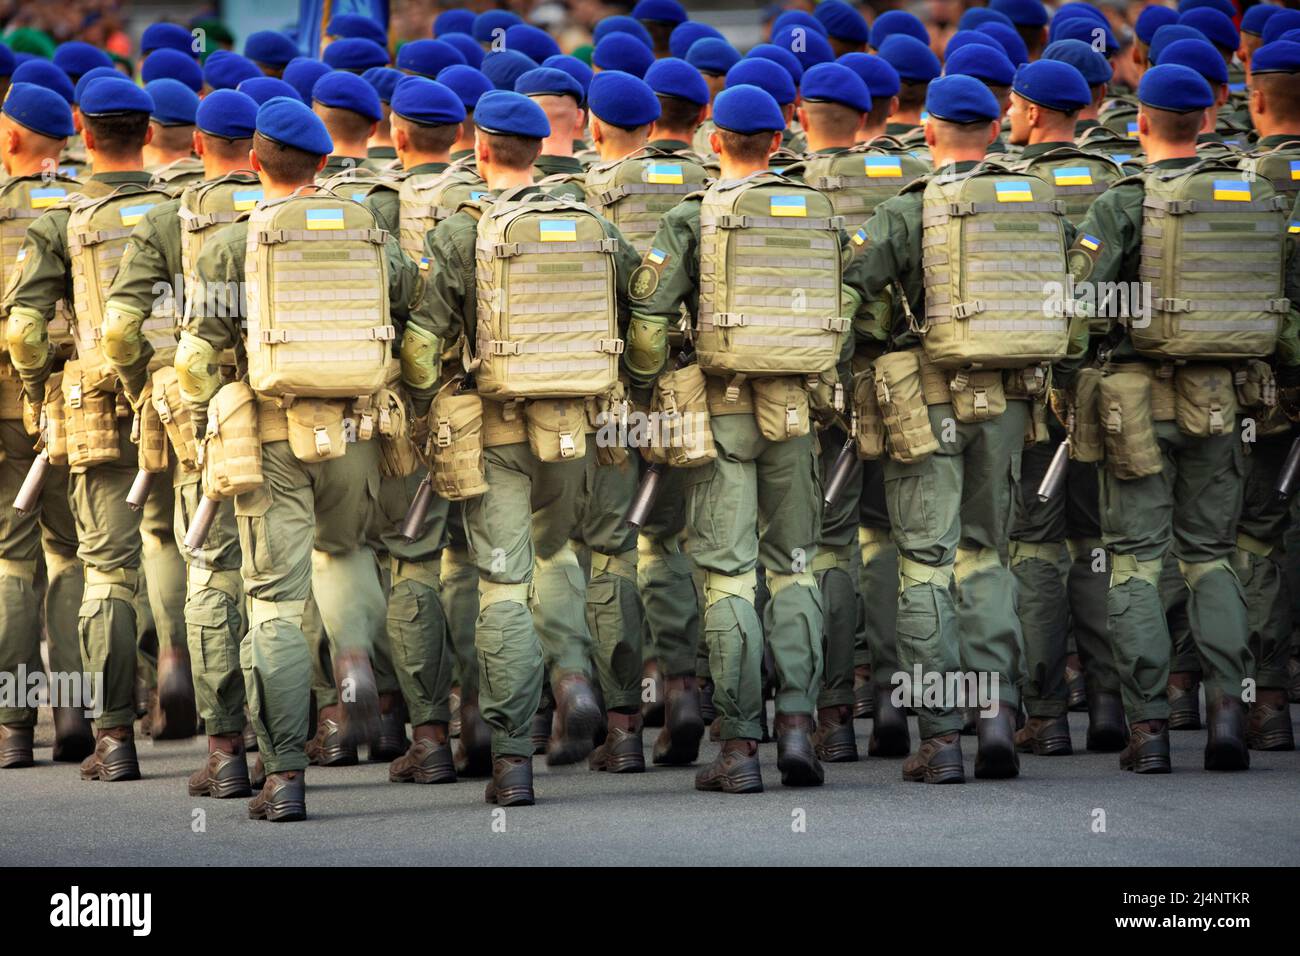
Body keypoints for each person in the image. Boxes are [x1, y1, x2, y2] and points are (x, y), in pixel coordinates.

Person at [178, 96, 422, 820]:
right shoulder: (372, 229)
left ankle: (282, 774)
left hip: (273, 439)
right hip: (353, 432)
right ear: (324, 163)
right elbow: (413, 315)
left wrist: (211, 415)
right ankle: (352, 663)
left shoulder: (231, 244)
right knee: (345, 556)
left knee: (274, 601)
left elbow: (194, 359)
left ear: (254, 164)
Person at [405, 90, 641, 804]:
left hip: (495, 431)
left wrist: (425, 407)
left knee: (502, 584)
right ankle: (574, 677)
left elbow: (419, 348)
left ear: (479, 149)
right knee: (559, 552)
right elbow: (645, 308)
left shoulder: (458, 233)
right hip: (573, 430)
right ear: (542, 150)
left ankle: (512, 759)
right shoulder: (592, 220)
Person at [844, 74, 1081, 783]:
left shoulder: (907, 209)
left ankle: (942, 737)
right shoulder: (1039, 206)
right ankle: (1001, 717)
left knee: (925, 561)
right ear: (997, 132)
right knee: (987, 555)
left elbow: (850, 287)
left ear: (928, 132)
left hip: (930, 403)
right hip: (1011, 403)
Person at [1073, 63, 1297, 773]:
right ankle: (1231, 711)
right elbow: (1280, 305)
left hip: (1135, 406)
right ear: (1211, 118)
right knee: (1211, 557)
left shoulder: (1123, 202)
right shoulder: (1254, 196)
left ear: (1140, 122)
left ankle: (1152, 727)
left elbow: (1077, 308)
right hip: (1223, 402)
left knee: (1136, 562)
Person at [632, 84, 847, 792]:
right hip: (794, 412)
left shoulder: (692, 217)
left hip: (719, 415)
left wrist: (650, 382)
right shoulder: (818, 214)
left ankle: (740, 748)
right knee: (794, 567)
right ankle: (797, 728)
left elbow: (650, 317)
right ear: (780, 141)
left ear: (713, 141)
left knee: (727, 577)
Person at [4, 77, 175, 782]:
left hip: (80, 408)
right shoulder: (181, 210)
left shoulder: (63, 219)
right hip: (181, 406)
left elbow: (22, 329)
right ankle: (236, 739)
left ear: (85, 128)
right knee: (189, 555)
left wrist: (45, 387)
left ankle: (46, 727)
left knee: (36, 559)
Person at [1006, 58, 1127, 754]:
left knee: (1035, 550)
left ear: (1027, 111)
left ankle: (1046, 715)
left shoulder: (1011, 188)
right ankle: (1112, 703)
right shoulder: (1120, 183)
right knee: (1102, 550)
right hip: (1117, 393)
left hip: (1041, 396)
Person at [0, 84, 89, 769]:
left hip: (9, 408)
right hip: (87, 404)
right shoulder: (84, 207)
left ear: (9, 141)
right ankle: (75, 712)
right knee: (76, 555)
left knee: (11, 562)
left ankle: (13, 726)